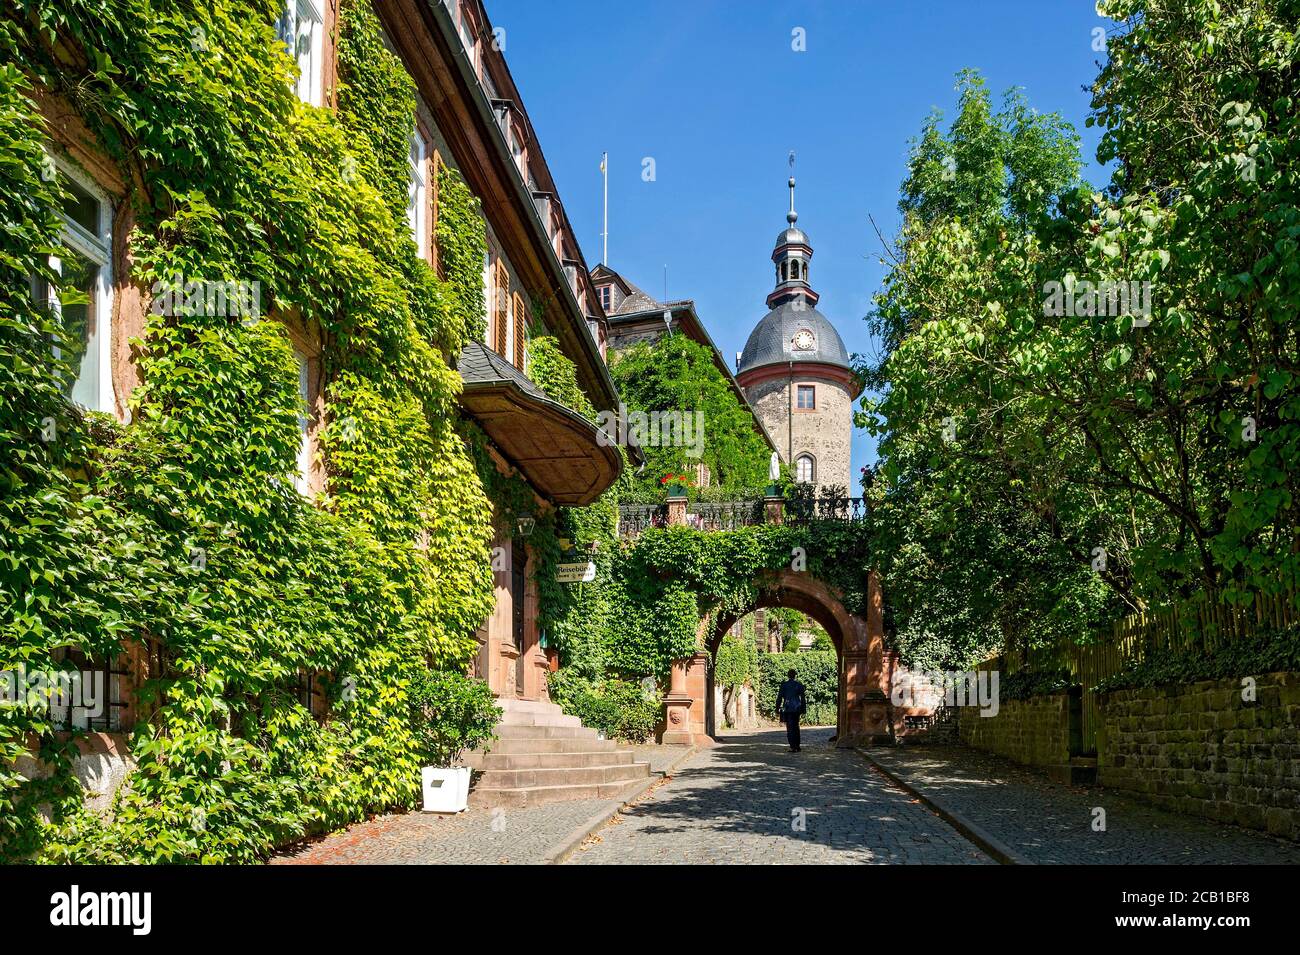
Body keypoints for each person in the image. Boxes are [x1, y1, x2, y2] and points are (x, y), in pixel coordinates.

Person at [776, 668, 806, 752]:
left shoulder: (784, 685)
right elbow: (803, 698)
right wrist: (804, 709)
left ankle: (793, 746)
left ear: (788, 675)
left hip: (788, 708)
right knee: (796, 726)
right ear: (795, 675)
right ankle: (797, 745)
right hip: (797, 708)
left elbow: (779, 698)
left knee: (789, 728)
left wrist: (777, 708)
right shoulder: (799, 685)